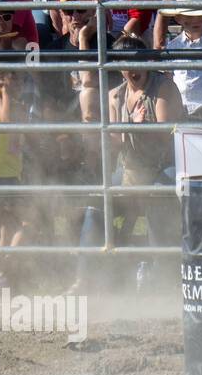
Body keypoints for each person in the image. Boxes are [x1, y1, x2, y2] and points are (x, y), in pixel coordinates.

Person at [71, 35, 183, 294]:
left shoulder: (164, 87)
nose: (133, 69)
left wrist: (137, 128)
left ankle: (162, 276)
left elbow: (167, 136)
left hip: (163, 165)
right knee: (97, 200)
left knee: (158, 194)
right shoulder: (115, 96)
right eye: (125, 63)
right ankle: (85, 277)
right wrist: (99, 137)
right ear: (119, 67)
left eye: (137, 62)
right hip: (132, 169)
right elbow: (115, 142)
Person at [0, 63, 24, 284]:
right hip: (1, 169)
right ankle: (2, 271)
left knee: (6, 223)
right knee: (22, 223)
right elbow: (7, 121)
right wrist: (7, 89)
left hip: (2, 167)